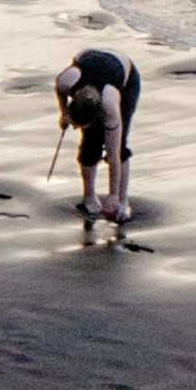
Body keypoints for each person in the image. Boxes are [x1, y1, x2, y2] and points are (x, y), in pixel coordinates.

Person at [53, 42, 140, 242]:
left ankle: (122, 201)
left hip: (125, 77)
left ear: (96, 116)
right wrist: (64, 113)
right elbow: (59, 90)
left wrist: (112, 196)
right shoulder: (67, 81)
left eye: (79, 124)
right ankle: (89, 198)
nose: (75, 128)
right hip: (91, 59)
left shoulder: (110, 105)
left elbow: (114, 156)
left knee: (119, 146)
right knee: (89, 142)